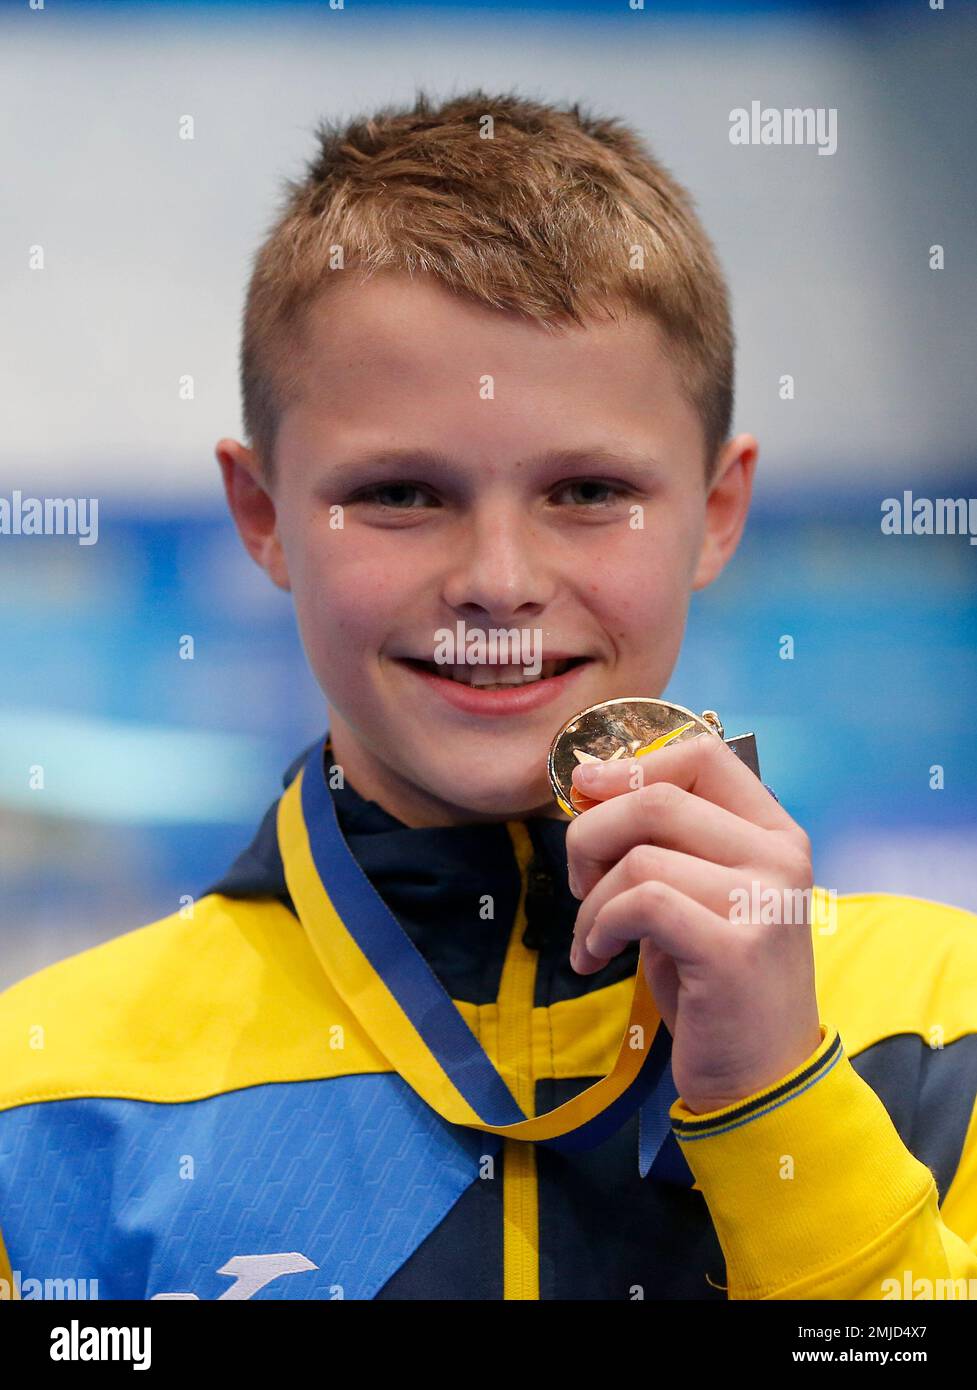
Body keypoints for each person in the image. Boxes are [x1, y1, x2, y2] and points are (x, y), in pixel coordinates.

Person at [2, 90, 976, 1302]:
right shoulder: (46, 1100)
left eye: (584, 489)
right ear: (261, 516)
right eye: (404, 493)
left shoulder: (947, 1018)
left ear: (717, 512)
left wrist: (778, 1101)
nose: (498, 584)